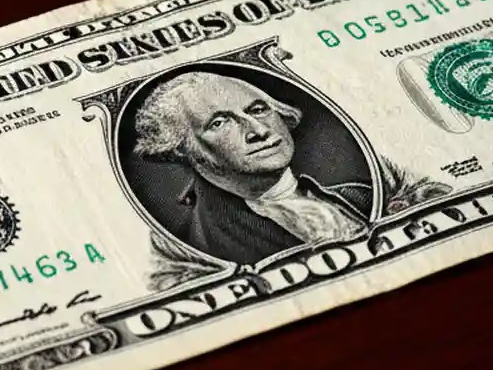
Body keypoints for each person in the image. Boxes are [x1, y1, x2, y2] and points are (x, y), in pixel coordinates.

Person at [134, 71, 371, 264]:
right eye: (220, 123)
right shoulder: (202, 249)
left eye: (258, 110)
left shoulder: (362, 196)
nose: (259, 130)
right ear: (180, 149)